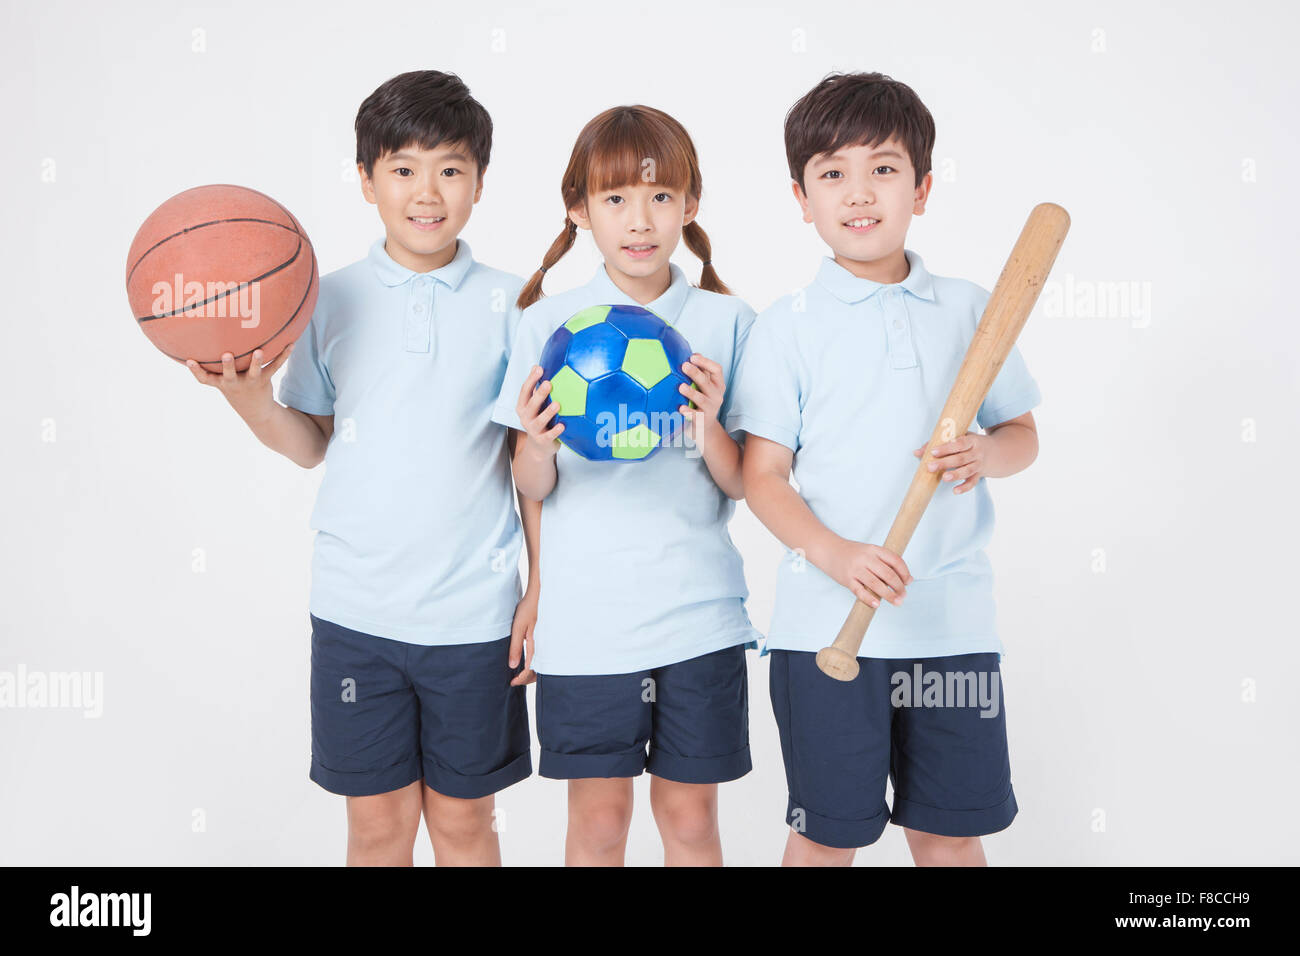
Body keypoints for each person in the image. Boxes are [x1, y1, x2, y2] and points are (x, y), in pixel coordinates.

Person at [185, 70, 538, 866]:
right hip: (357, 620)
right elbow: (313, 443)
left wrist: (539, 592)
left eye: (450, 169)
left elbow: (531, 468)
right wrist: (247, 398)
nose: (427, 191)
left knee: (465, 826)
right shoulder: (322, 300)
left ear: (480, 183)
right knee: (377, 831)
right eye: (403, 169)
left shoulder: (518, 306)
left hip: (473, 620)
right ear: (366, 181)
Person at [728, 72, 1042, 866]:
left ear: (923, 188)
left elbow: (1021, 435)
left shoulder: (974, 307)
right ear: (801, 197)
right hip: (824, 631)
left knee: (947, 834)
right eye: (832, 173)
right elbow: (763, 476)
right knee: (828, 838)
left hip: (952, 629)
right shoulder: (785, 327)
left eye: (884, 169)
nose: (859, 192)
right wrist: (838, 556)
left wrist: (985, 453)